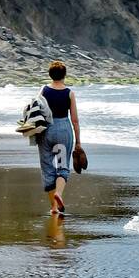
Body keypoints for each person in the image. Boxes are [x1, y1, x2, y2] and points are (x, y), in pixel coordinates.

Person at [38, 60, 83, 216]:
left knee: (47, 168)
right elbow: (75, 120)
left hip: (46, 131)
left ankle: (54, 208)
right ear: (64, 75)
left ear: (50, 75)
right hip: (64, 130)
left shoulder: (43, 90)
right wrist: (78, 141)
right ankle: (59, 193)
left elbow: (36, 111)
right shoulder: (69, 93)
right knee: (62, 165)